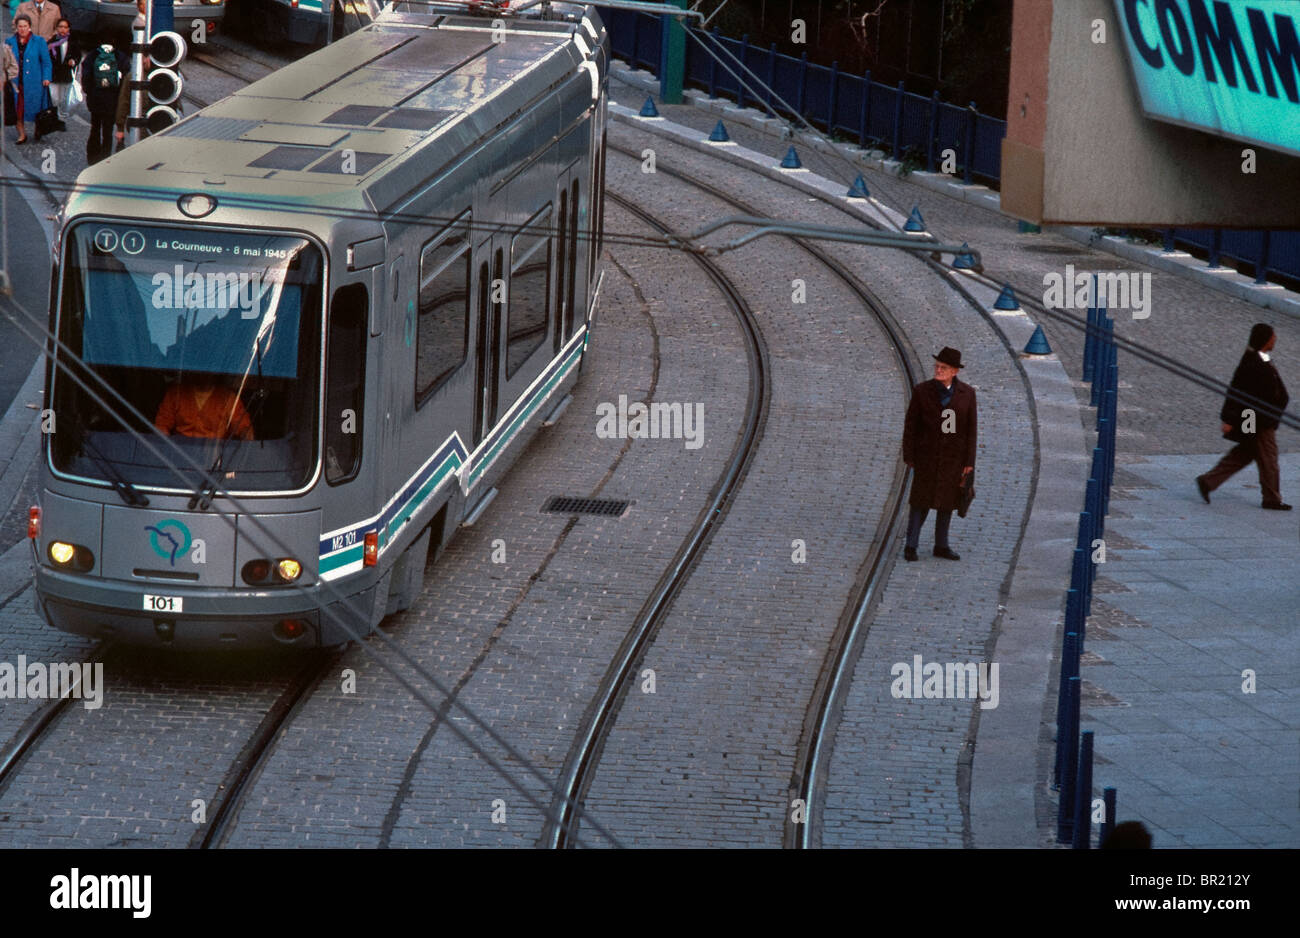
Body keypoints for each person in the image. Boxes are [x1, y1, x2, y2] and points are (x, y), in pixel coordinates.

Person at [1196, 323, 1290, 510]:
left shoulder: (1260, 359)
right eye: (1273, 336)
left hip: (1258, 417)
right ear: (1265, 339)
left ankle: (1208, 481)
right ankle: (1272, 498)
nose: (1275, 339)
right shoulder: (1252, 362)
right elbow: (1236, 390)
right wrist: (1229, 419)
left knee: (1246, 451)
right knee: (1268, 457)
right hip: (1256, 419)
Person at [901, 346, 977, 561]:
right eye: (937, 366)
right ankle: (911, 545)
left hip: (953, 459)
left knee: (947, 503)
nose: (938, 370)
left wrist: (969, 462)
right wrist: (910, 456)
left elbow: (970, 431)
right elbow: (910, 427)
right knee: (920, 503)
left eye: (943, 367)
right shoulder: (922, 391)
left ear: (955, 371)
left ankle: (941, 545)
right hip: (926, 457)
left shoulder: (967, 394)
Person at [4, 14, 51, 145]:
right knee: (17, 109)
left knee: (36, 107)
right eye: (20, 26)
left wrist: (47, 77)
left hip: (35, 81)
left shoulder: (39, 41)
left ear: (30, 27)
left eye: (25, 26)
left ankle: (38, 129)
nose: (22, 29)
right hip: (15, 82)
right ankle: (22, 134)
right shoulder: (9, 41)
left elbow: (46, 62)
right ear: (16, 27)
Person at [155, 380, 255, 441]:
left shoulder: (229, 398)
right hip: (180, 455)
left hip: (216, 461)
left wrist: (245, 435)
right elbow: (161, 426)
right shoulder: (175, 393)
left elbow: (244, 429)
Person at [82, 38, 121, 163]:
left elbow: (86, 76)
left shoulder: (93, 55)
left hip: (96, 98)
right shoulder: (119, 55)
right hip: (112, 99)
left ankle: (92, 157)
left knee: (95, 127)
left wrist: (89, 92)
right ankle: (106, 158)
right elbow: (125, 75)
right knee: (108, 130)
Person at [45, 16, 76, 121]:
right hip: (53, 74)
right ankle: (54, 115)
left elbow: (78, 55)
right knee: (54, 97)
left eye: (65, 27)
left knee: (63, 99)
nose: (63, 29)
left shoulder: (72, 42)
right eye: (61, 27)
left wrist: (73, 61)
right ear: (56, 28)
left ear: (69, 29)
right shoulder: (51, 42)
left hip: (66, 75)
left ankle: (62, 117)